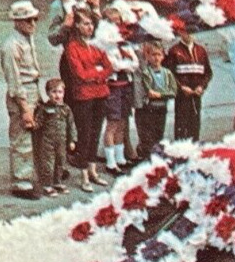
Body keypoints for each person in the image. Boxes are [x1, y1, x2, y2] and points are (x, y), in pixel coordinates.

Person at [60, 10, 112, 192]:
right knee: (84, 134)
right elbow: (79, 74)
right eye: (85, 24)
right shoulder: (72, 47)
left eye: (91, 24)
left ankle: (93, 170)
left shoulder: (97, 44)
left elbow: (108, 67)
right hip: (83, 96)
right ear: (76, 26)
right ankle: (83, 174)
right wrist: (97, 73)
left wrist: (96, 74)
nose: (89, 27)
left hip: (101, 93)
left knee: (96, 131)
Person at [0, 0, 42, 200]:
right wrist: (25, 107)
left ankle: (34, 173)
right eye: (27, 20)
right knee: (22, 137)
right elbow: (14, 81)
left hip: (33, 88)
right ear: (16, 21)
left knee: (34, 136)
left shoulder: (27, 39)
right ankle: (21, 182)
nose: (32, 24)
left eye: (34, 19)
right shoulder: (11, 45)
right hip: (22, 93)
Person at [93, 11, 140, 174]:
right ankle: (110, 162)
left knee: (122, 122)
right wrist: (123, 64)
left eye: (118, 22)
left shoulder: (125, 43)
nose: (116, 26)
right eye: (112, 22)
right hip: (113, 86)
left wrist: (124, 64)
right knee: (112, 123)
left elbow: (135, 63)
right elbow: (112, 65)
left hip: (126, 85)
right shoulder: (104, 44)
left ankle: (120, 158)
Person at [165, 26, 211, 141]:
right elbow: (170, 73)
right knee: (182, 123)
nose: (189, 34)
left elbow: (208, 72)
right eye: (186, 32)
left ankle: (194, 147)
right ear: (180, 32)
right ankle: (181, 149)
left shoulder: (201, 50)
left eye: (192, 31)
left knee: (195, 123)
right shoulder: (174, 51)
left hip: (196, 94)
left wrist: (202, 86)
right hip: (182, 95)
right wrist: (181, 88)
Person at [34, 78, 77, 196]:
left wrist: (72, 140)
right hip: (47, 141)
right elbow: (38, 123)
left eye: (60, 92)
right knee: (48, 164)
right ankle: (47, 185)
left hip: (61, 141)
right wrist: (33, 125)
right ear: (48, 93)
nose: (57, 95)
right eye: (53, 92)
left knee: (60, 162)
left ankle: (57, 182)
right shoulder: (44, 108)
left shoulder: (66, 109)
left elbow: (71, 125)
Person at [133, 40, 177, 155]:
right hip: (150, 107)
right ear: (148, 56)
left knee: (159, 134)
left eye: (159, 55)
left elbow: (173, 91)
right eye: (153, 55)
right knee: (148, 135)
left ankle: (157, 156)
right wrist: (159, 93)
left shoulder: (167, 73)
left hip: (162, 107)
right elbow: (149, 90)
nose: (156, 58)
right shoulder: (146, 72)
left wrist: (161, 94)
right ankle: (148, 155)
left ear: (163, 56)